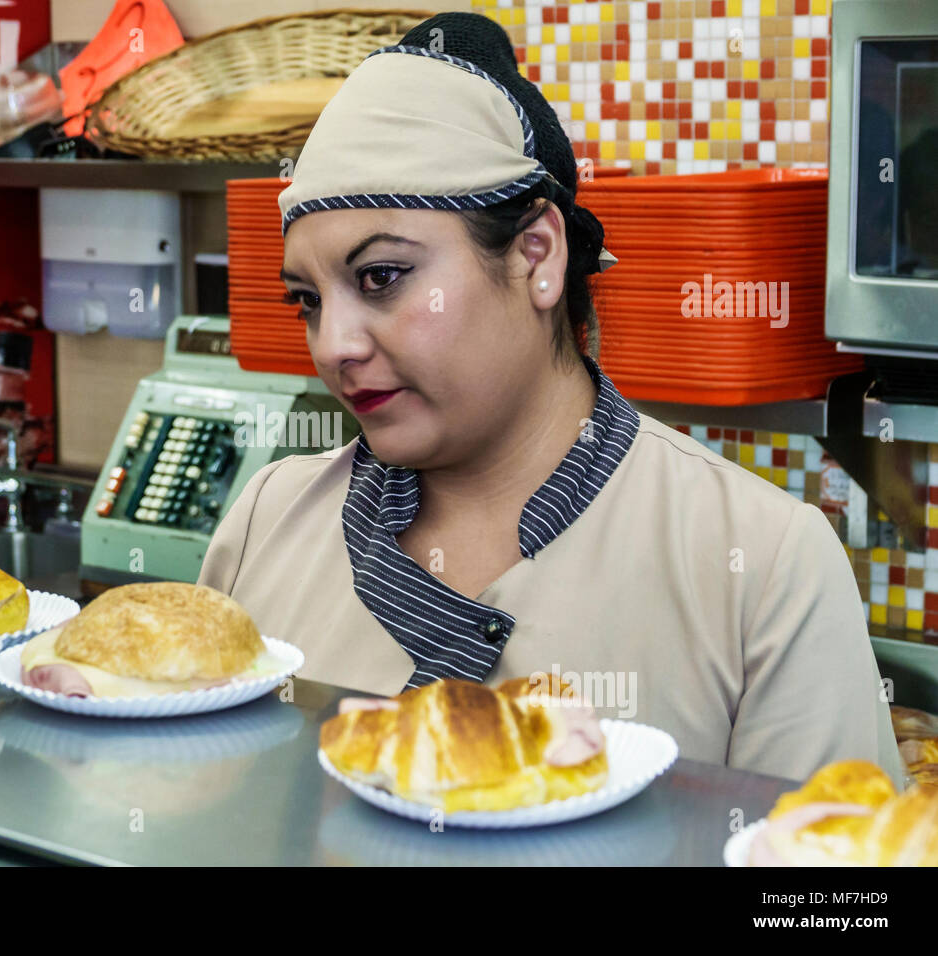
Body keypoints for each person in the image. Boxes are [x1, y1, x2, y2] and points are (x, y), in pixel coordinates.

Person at [196, 12, 905, 786]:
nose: (334, 344)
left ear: (537, 254)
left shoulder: (760, 564)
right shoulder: (269, 520)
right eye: (307, 299)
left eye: (381, 278)